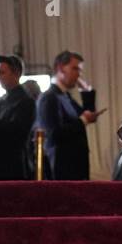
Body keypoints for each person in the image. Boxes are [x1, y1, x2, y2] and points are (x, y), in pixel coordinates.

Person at [35, 51, 98, 180]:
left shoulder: (65, 96)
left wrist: (86, 92)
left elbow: (87, 115)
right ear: (60, 68)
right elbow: (52, 134)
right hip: (61, 170)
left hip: (74, 168)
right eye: (75, 68)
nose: (78, 74)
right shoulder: (49, 97)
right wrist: (83, 120)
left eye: (80, 70)